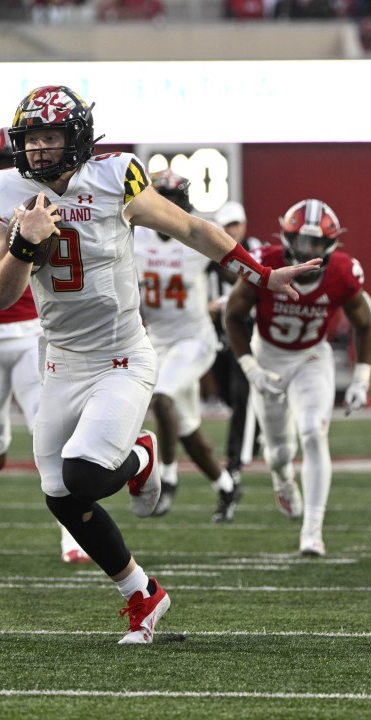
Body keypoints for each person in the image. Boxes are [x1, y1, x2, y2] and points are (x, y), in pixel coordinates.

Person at [0, 85, 318, 644]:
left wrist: (259, 273)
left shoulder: (116, 178)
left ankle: (141, 456)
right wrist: (23, 242)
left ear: (79, 140)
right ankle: (142, 593)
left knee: (83, 475)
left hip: (121, 355)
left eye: (52, 136)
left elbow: (190, 228)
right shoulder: (6, 191)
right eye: (33, 138)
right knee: (59, 496)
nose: (40, 149)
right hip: (61, 359)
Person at [0, 127, 89, 564]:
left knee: (49, 430)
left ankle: (73, 537)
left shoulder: (53, 205)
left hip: (30, 333)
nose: (6, 175)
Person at [224, 198, 371, 556]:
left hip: (311, 356)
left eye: (316, 244)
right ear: (288, 238)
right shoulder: (266, 262)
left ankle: (312, 531)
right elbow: (232, 316)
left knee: (312, 431)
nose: (309, 252)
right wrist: (251, 367)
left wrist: (361, 379)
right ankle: (282, 478)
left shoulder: (342, 272)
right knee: (278, 452)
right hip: (269, 356)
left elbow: (365, 324)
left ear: (332, 243)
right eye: (302, 242)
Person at [133, 169, 239, 519]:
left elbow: (234, 272)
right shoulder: (134, 236)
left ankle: (166, 480)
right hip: (157, 341)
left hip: (194, 340)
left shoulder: (195, 237)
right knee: (186, 426)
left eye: (172, 199)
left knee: (161, 399)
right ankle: (226, 486)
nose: (166, 207)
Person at [207, 200, 265, 510]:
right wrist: (207, 306)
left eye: (235, 225)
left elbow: (246, 278)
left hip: (248, 332)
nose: (232, 231)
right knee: (230, 396)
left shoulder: (256, 249)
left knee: (243, 396)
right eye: (226, 226)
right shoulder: (205, 251)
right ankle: (257, 434)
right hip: (218, 336)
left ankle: (235, 462)